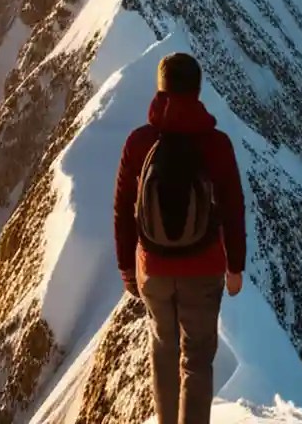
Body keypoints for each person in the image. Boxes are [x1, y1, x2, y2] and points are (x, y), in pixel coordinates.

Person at [114, 52, 246, 424]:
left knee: (163, 349)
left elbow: (123, 209)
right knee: (197, 361)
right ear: (198, 90)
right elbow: (234, 208)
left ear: (160, 89)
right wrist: (235, 267)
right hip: (204, 269)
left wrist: (127, 267)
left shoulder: (139, 143)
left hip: (152, 268)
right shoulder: (216, 144)